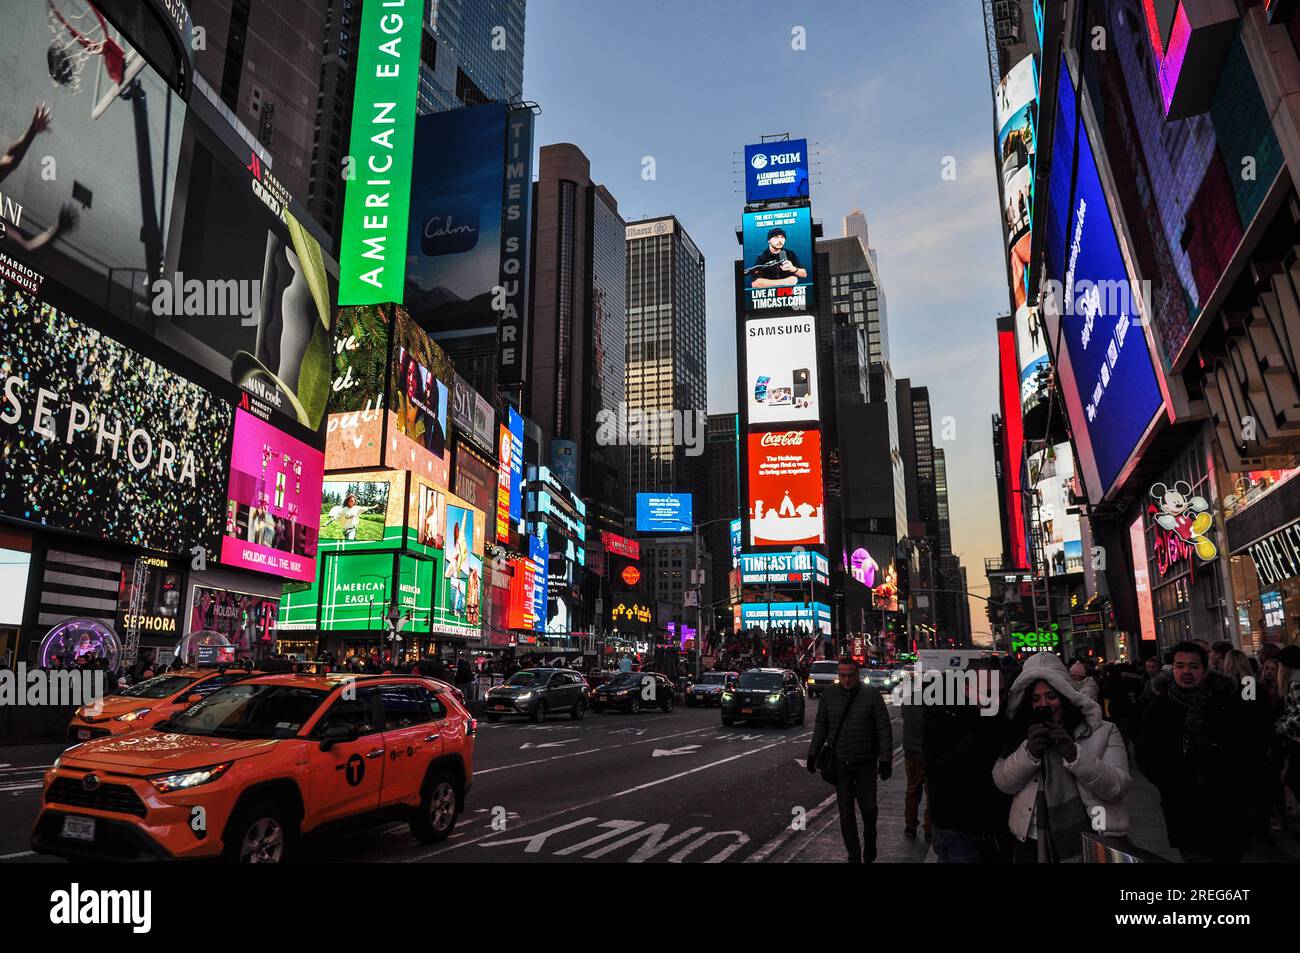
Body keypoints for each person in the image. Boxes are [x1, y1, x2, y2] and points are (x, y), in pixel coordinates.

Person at [993, 652, 1131, 863]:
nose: (1044, 705)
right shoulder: (1020, 735)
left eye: (1051, 696)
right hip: (1032, 840)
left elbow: (1117, 787)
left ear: (1065, 696)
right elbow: (1003, 782)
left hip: (1095, 837)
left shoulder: (1102, 731)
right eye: (1035, 699)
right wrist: (1029, 753)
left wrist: (1073, 754)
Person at [1137, 641, 1252, 863]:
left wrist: (1239, 776)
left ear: (1205, 670)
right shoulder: (1160, 706)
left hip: (1227, 802)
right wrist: (1169, 782)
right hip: (1183, 804)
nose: (1186, 672)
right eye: (1180, 666)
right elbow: (1146, 752)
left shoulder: (1227, 701)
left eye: (1193, 666)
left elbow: (1247, 741)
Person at [806, 657, 893, 863]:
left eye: (850, 675)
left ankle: (870, 845)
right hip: (840, 763)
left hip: (865, 762)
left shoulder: (871, 695)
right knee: (845, 812)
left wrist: (886, 759)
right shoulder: (829, 695)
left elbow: (883, 728)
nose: (846, 680)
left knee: (869, 808)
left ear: (858, 674)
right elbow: (821, 728)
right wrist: (812, 753)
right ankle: (853, 854)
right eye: (842, 675)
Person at [923, 659, 1011, 862]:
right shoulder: (944, 712)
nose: (998, 700)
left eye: (1002, 693)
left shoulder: (1004, 718)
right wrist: (977, 730)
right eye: (988, 693)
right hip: (957, 829)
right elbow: (936, 769)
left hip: (997, 828)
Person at [900, 690, 930, 841]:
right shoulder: (936, 700)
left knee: (912, 790)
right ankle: (928, 828)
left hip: (911, 752)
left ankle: (910, 825)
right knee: (931, 793)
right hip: (929, 754)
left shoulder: (908, 699)